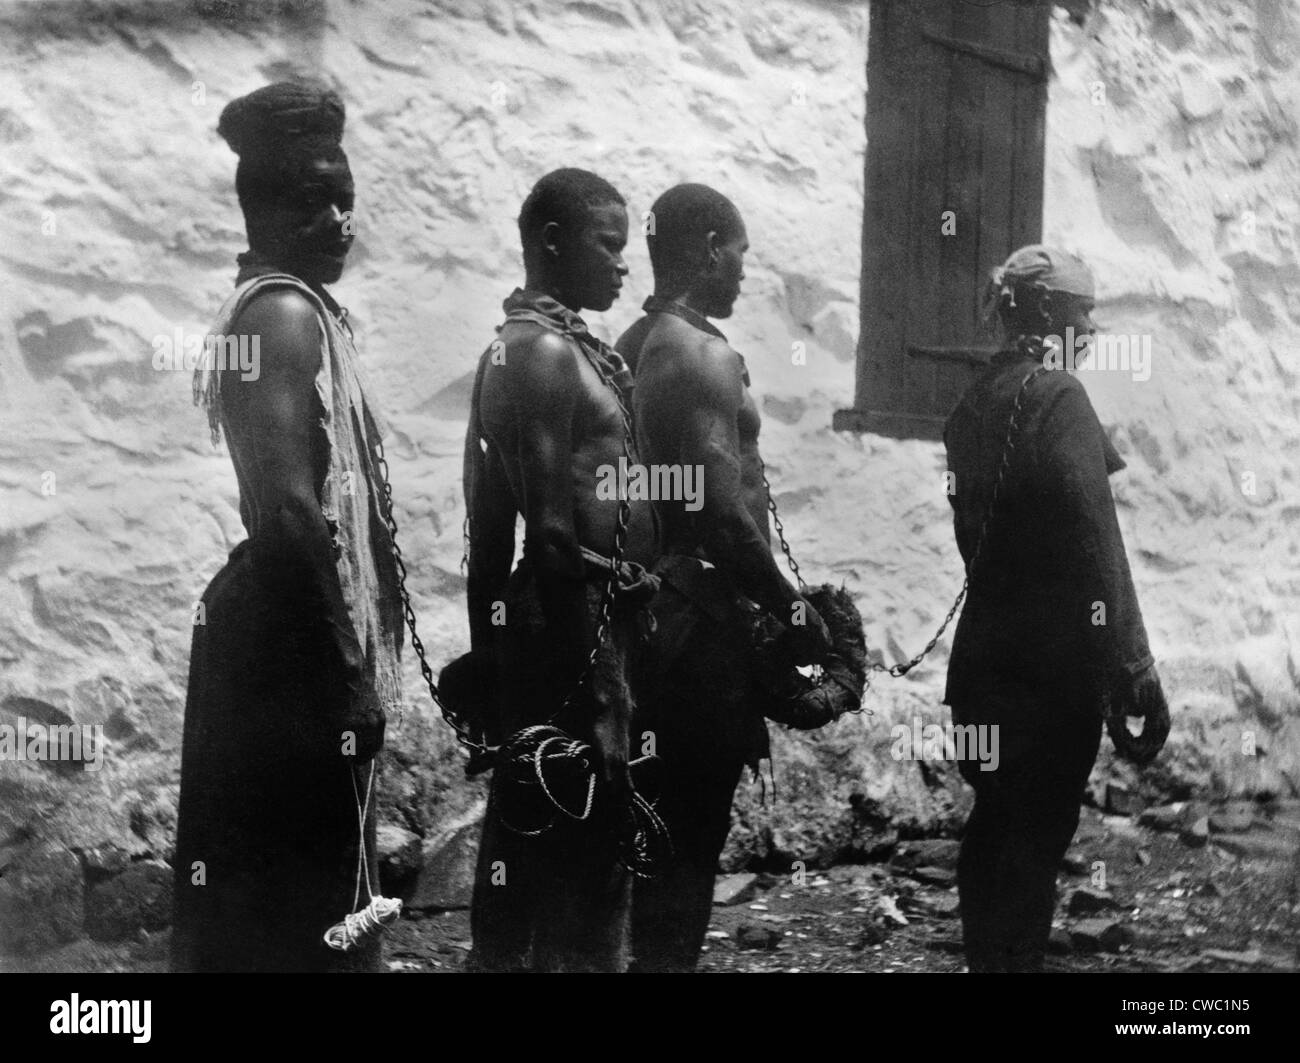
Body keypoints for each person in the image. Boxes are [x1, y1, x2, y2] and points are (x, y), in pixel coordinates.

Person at [173, 81, 403, 972]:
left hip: (281, 630)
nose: (340, 219)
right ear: (259, 207)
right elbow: (290, 511)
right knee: (304, 906)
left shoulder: (292, 307)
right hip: (286, 641)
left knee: (297, 899)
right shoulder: (281, 313)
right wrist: (345, 669)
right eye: (313, 201)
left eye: (346, 199)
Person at [616, 183, 833, 972]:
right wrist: (793, 607)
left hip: (645, 621)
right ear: (709, 247)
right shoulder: (701, 352)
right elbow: (717, 509)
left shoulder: (634, 337)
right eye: (739, 255)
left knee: (648, 843)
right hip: (697, 633)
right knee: (689, 844)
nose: (744, 273)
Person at [943, 244, 1170, 973]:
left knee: (995, 824)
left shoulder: (972, 404)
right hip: (1048, 674)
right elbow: (1094, 537)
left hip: (981, 664)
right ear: (1046, 313)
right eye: (1084, 312)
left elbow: (971, 537)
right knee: (1035, 838)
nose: (1094, 328)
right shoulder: (1059, 398)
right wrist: (1132, 662)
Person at [464, 168, 658, 972]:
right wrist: (603, 692)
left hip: (564, 626)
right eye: (608, 245)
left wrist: (488, 657)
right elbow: (542, 535)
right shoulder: (541, 353)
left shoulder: (544, 347)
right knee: (581, 824)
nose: (623, 265)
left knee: (542, 821)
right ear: (551, 242)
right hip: (573, 628)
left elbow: (484, 539)